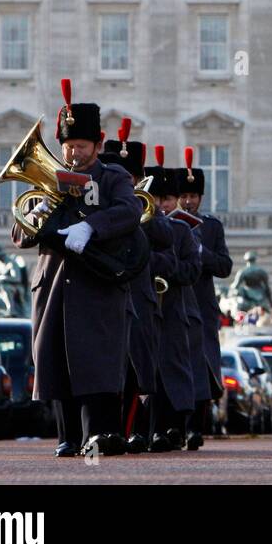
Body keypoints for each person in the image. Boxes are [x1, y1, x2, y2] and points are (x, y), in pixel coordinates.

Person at [11, 79, 143, 457]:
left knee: (95, 361)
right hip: (54, 283)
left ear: (97, 146)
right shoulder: (49, 177)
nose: (72, 154)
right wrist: (33, 216)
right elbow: (20, 236)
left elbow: (130, 211)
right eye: (68, 146)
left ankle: (98, 434)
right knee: (55, 359)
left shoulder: (112, 176)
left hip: (96, 283)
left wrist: (91, 225)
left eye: (80, 147)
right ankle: (67, 436)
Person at [97, 121, 163, 454]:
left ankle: (132, 429)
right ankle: (108, 430)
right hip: (108, 289)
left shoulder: (144, 207)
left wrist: (147, 212)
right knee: (109, 364)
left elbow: (163, 238)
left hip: (138, 293)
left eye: (132, 178)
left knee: (137, 368)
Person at [144, 147, 203, 451]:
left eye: (165, 199)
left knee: (172, 370)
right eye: (155, 199)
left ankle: (172, 428)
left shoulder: (182, 230)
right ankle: (147, 429)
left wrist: (163, 264)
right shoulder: (138, 225)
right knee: (146, 370)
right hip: (144, 309)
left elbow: (193, 270)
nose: (160, 205)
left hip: (173, 309)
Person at [177, 147, 233, 446]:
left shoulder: (211, 227)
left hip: (201, 304)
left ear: (200, 198)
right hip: (175, 304)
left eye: (193, 197)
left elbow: (224, 266)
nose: (188, 201)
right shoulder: (171, 223)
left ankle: (196, 428)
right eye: (184, 196)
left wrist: (201, 251)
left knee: (202, 366)